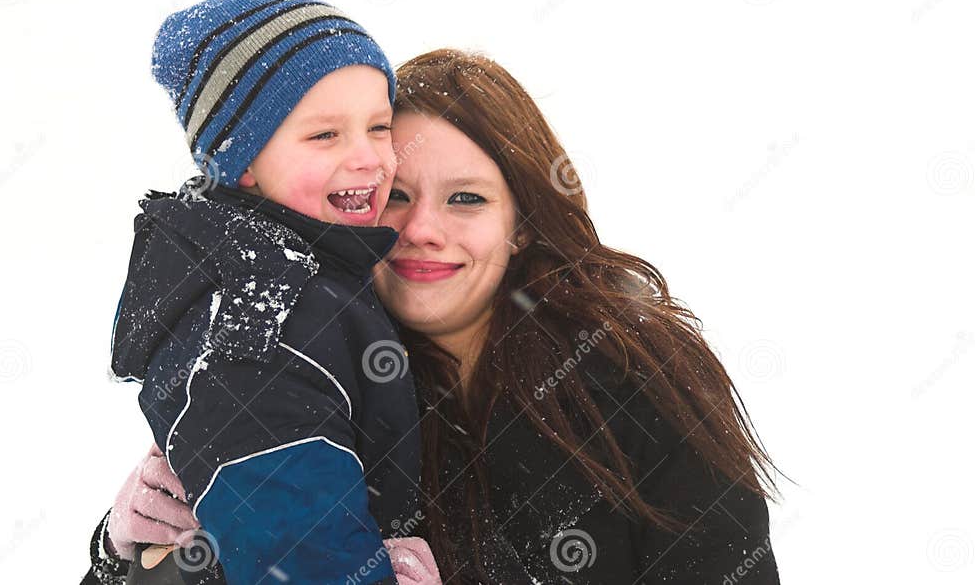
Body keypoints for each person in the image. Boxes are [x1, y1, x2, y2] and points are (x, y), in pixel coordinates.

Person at [91, 48, 787, 583]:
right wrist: (124, 553)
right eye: (397, 195)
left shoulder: (633, 371)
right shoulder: (294, 379)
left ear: (522, 223)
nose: (422, 229)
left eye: (467, 199)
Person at [82, 0, 423, 585]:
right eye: (325, 135)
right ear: (240, 161)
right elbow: (295, 544)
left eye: (379, 126)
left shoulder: (308, 269)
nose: (371, 158)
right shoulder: (259, 323)